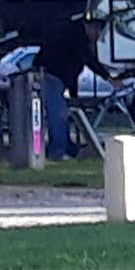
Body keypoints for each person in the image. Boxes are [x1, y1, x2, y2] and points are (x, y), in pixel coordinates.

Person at [36, 14, 90, 161]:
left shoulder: (72, 39)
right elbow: (87, 61)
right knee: (57, 116)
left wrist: (74, 95)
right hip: (50, 77)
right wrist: (108, 78)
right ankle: (57, 152)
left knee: (60, 114)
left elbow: (73, 74)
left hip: (54, 78)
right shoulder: (77, 41)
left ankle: (69, 149)